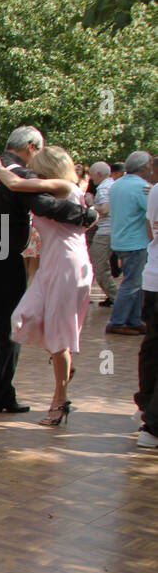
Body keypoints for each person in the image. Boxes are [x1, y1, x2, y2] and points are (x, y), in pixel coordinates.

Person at [0, 126, 97, 412]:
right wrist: (85, 215)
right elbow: (44, 206)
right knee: (9, 324)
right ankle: (2, 395)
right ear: (31, 147)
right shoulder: (22, 174)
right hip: (2, 250)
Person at [0, 146, 92, 425]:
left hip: (66, 265)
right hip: (54, 264)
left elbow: (16, 183)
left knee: (58, 337)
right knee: (24, 316)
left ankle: (60, 399)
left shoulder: (63, 185)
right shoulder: (66, 189)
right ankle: (62, 367)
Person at [105, 151, 154, 335]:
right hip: (136, 242)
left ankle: (133, 320)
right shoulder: (142, 187)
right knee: (131, 284)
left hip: (120, 240)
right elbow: (152, 210)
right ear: (144, 167)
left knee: (135, 282)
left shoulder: (117, 185)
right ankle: (117, 322)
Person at [136, 170, 158, 448]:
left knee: (152, 346)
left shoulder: (153, 190)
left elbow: (150, 229)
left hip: (152, 279)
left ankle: (145, 405)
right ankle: (152, 425)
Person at [86, 160, 119, 306]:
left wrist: (91, 204)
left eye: (92, 175)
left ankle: (117, 298)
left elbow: (105, 209)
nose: (91, 179)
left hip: (106, 231)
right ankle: (115, 297)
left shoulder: (104, 188)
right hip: (111, 230)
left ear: (98, 174)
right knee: (101, 266)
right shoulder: (111, 185)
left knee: (99, 267)